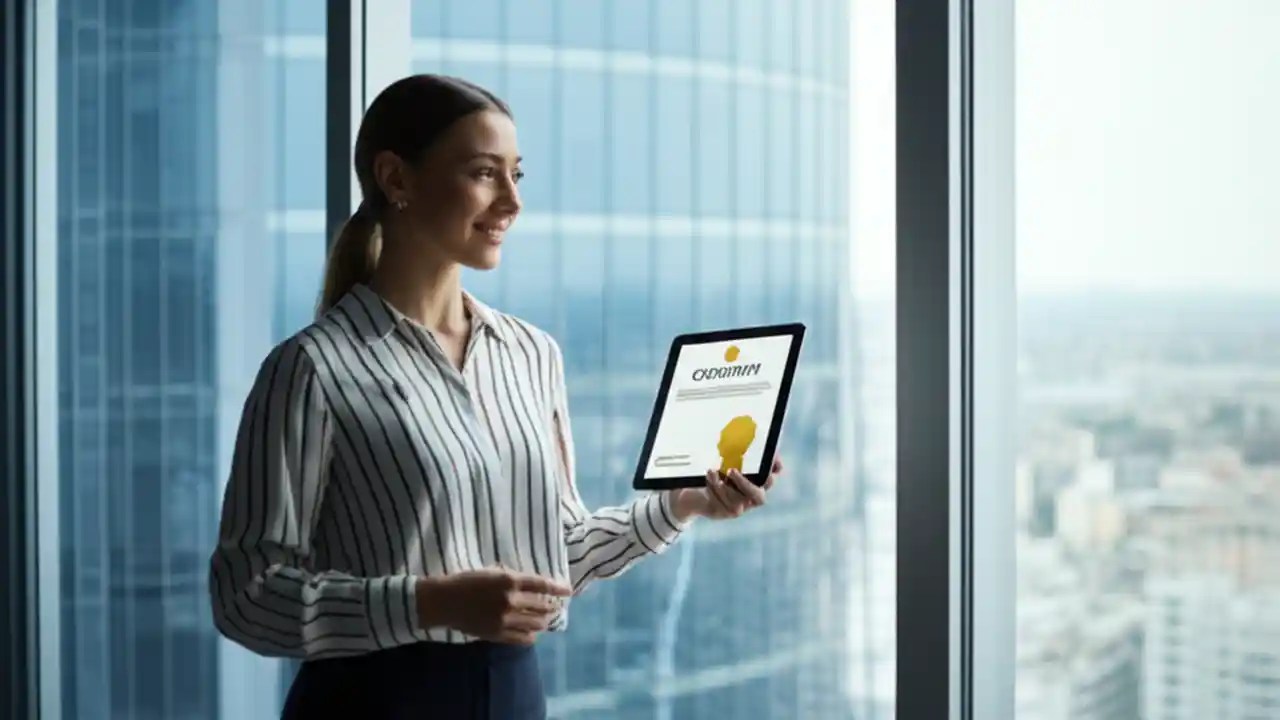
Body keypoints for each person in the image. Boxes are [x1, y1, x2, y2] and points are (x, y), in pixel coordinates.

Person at [208, 73, 784, 719]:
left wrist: (682, 505)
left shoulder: (531, 355)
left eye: (517, 174)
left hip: (513, 694)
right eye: (485, 173)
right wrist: (431, 603)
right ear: (396, 179)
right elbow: (248, 596)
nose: (511, 201)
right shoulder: (312, 369)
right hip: (371, 702)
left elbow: (555, 551)